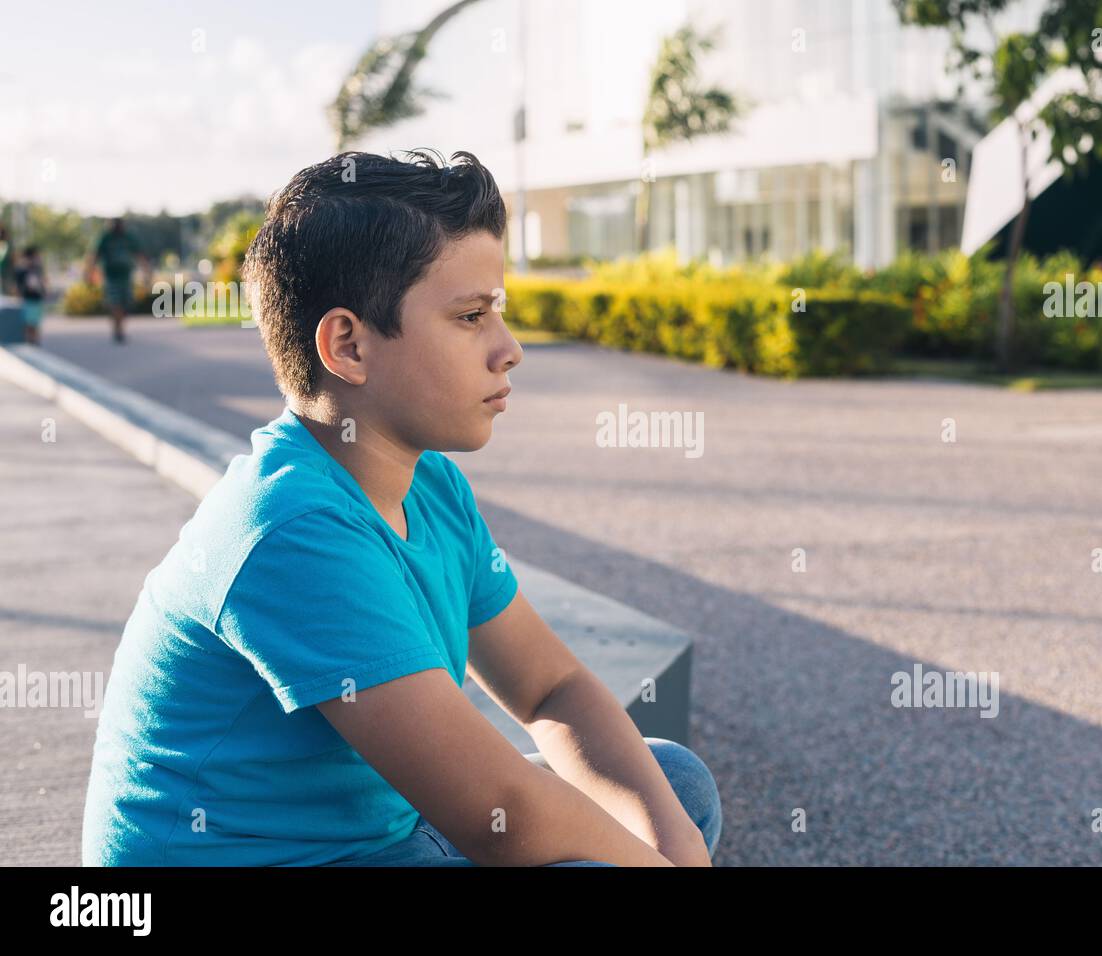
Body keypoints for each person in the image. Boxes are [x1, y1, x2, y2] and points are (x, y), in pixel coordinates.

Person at [81, 149, 722, 867]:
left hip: (377, 837)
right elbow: (498, 814)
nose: (508, 350)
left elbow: (551, 685)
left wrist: (674, 855)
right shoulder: (291, 528)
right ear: (348, 346)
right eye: (472, 316)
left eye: (498, 313)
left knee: (672, 789)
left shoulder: (431, 485)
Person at [86, 217, 142, 344]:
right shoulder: (105, 238)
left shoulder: (129, 237)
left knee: (127, 304)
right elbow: (94, 255)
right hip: (111, 277)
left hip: (126, 277)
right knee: (115, 302)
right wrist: (90, 272)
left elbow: (139, 254)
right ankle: (118, 330)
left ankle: (119, 325)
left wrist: (147, 271)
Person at [14, 245, 47, 346]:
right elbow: (17, 286)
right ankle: (29, 343)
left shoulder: (37, 268)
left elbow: (42, 283)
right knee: (28, 324)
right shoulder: (21, 270)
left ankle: (35, 343)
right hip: (27, 300)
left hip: (36, 299)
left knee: (35, 324)